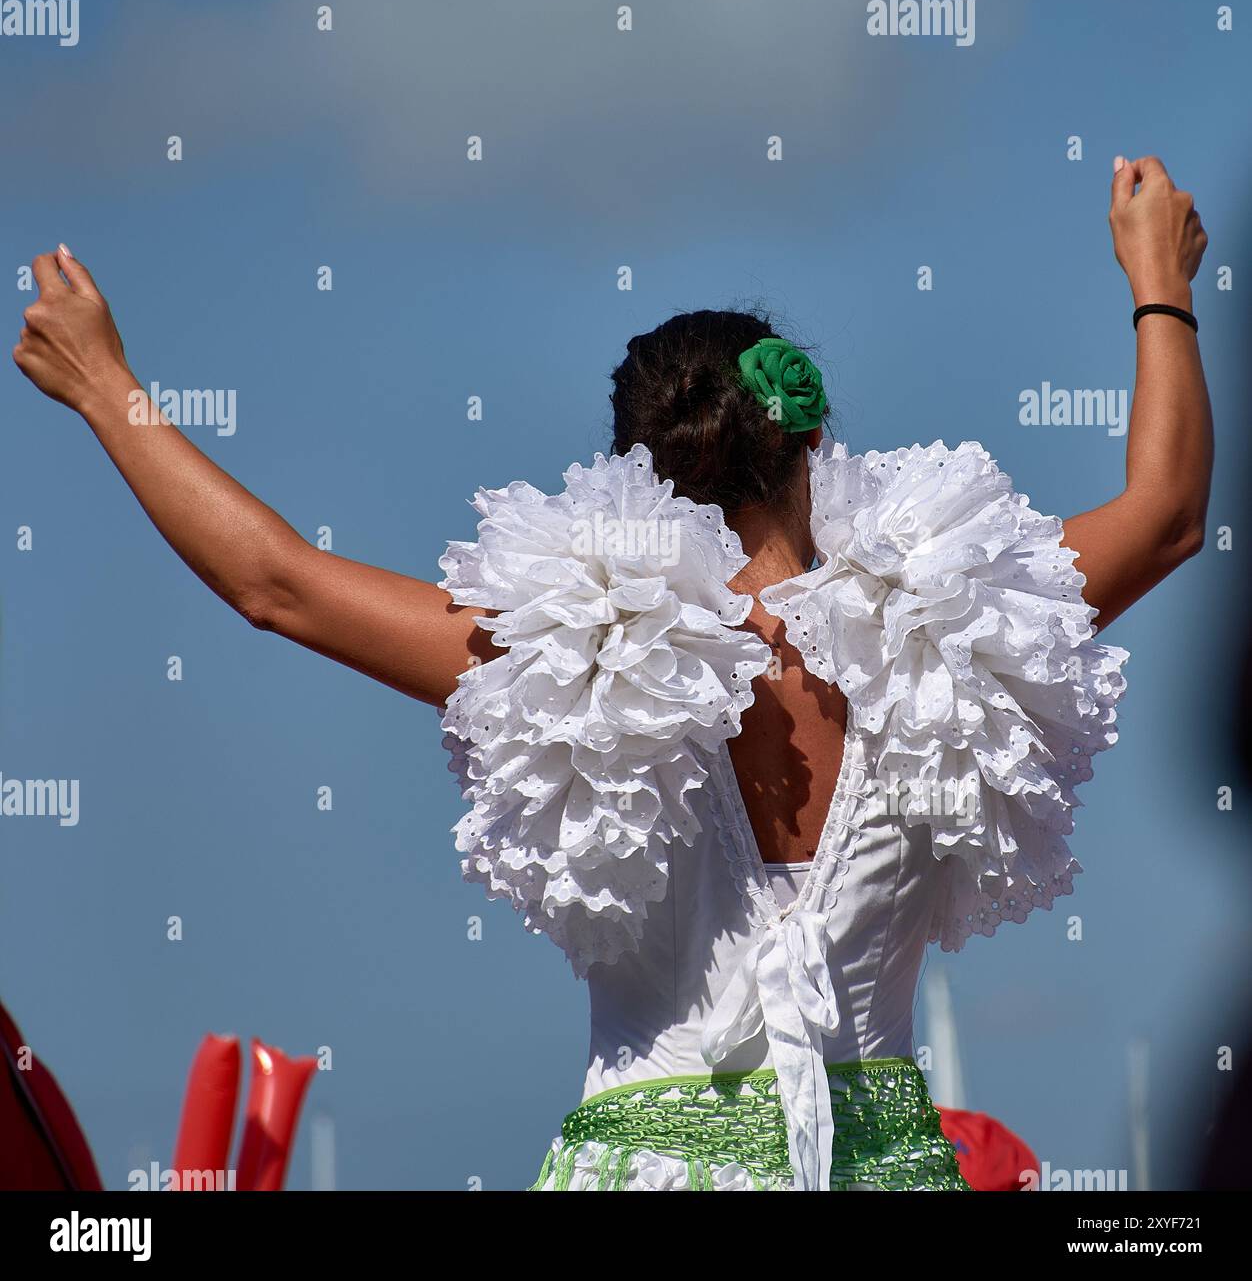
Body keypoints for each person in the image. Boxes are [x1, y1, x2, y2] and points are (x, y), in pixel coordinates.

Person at [12, 155, 1212, 1190]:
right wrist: (1159, 285)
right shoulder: (954, 631)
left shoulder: (571, 656)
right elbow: (1163, 515)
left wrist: (103, 384)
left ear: (634, 475)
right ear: (810, 439)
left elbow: (274, 583)